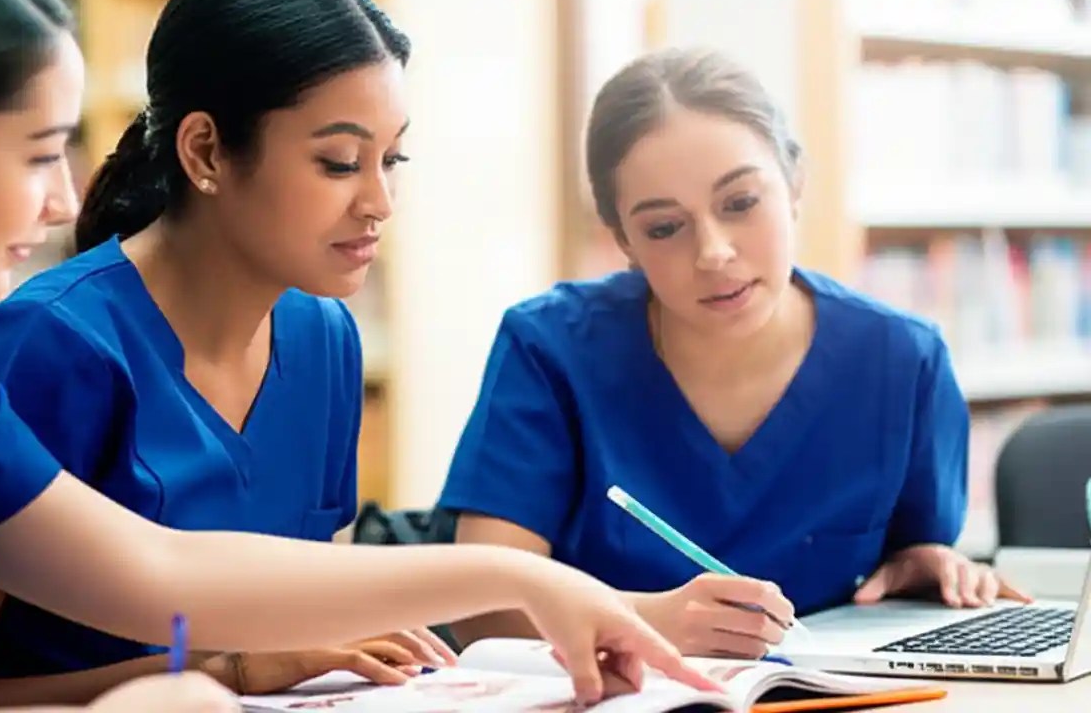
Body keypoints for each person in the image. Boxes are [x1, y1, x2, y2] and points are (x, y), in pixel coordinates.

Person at [0, 0, 720, 709]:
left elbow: (157, 572)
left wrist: (516, 575)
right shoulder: (34, 344)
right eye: (40, 154)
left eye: (391, 162)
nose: (62, 202)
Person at [438, 47, 1029, 659]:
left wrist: (920, 564)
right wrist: (645, 620)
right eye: (665, 228)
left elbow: (909, 552)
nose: (714, 252)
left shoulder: (903, 362)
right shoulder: (550, 349)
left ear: (795, 183)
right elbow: (482, 607)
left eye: (741, 203)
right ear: (624, 241)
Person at [0, 0, 456, 704]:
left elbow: (308, 626)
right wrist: (222, 674)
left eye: (393, 158)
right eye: (341, 162)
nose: (379, 200)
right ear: (206, 151)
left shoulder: (324, 337)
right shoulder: (46, 346)